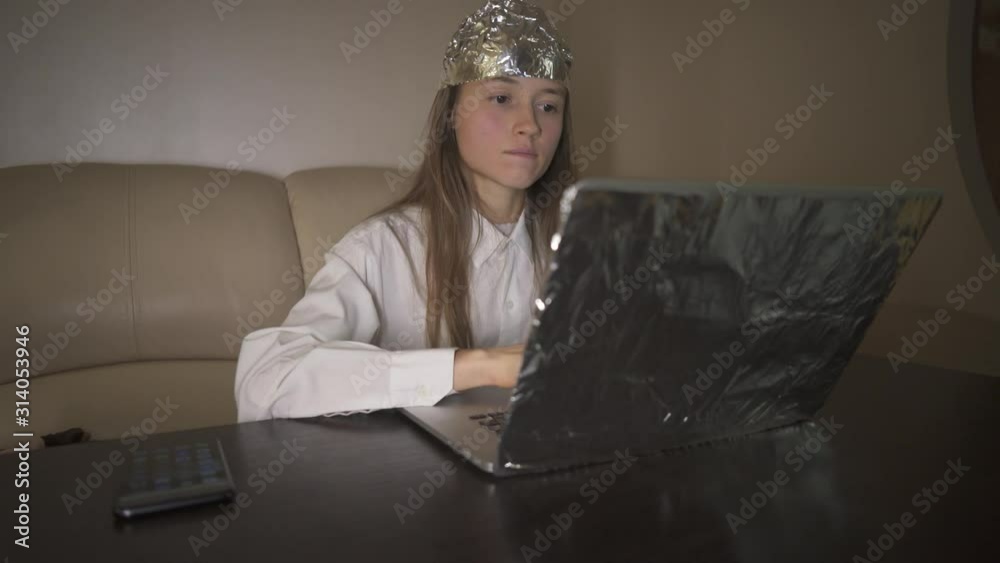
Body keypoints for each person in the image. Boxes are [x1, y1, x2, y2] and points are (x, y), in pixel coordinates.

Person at [234, 0, 578, 422]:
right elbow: (266, 383)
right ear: (452, 115)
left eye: (548, 105)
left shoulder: (586, 248)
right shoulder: (382, 247)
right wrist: (476, 365)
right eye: (502, 97)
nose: (530, 124)